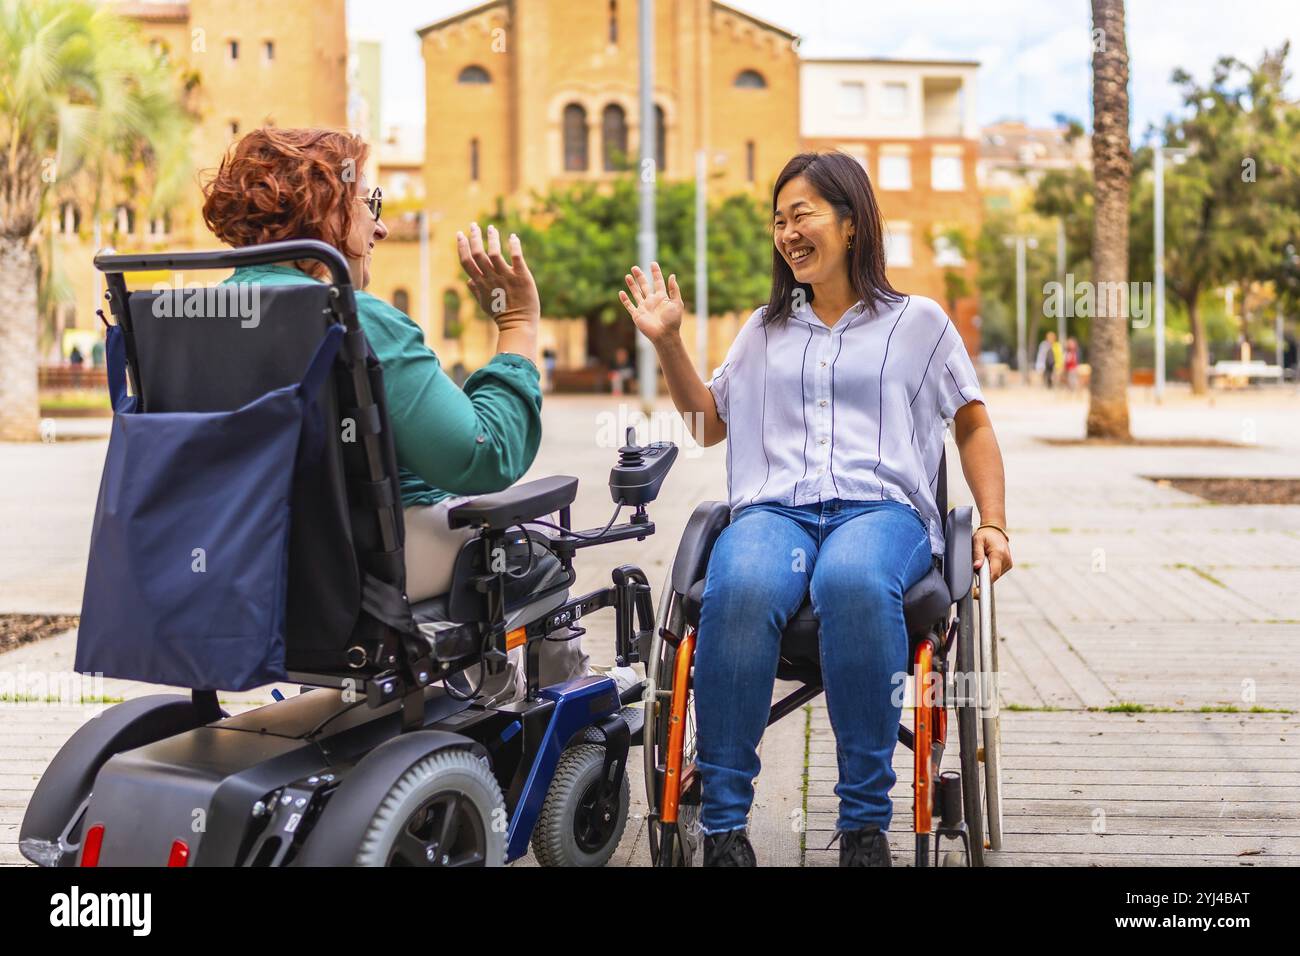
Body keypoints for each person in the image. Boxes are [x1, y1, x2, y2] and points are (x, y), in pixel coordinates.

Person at [618, 150, 1012, 867]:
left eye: (801, 215)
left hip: (880, 514)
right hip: (776, 514)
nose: (787, 232)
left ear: (852, 223)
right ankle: (726, 827)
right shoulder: (762, 332)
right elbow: (707, 427)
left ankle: (864, 824)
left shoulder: (917, 322)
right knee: (739, 586)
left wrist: (991, 521)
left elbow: (973, 423)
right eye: (779, 221)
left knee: (851, 582)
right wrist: (671, 343)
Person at [201, 128, 628, 705]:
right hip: (357, 569)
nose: (379, 227)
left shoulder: (200, 316)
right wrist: (518, 326)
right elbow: (482, 454)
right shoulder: (355, 320)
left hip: (238, 566)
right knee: (538, 552)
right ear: (326, 212)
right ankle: (546, 720)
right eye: (368, 206)